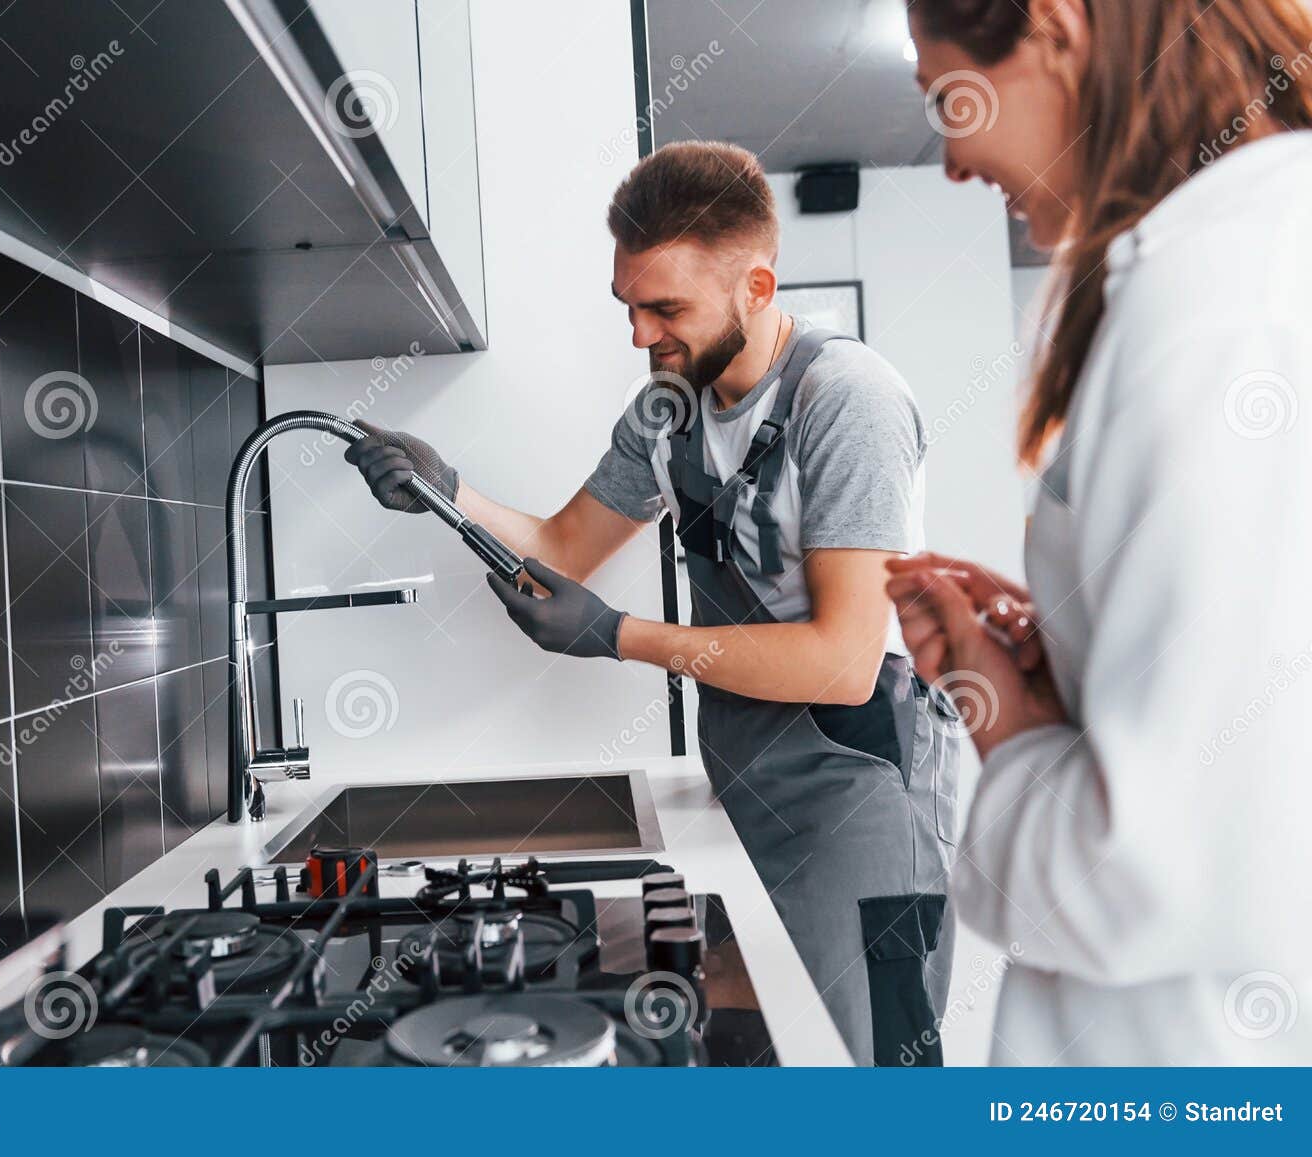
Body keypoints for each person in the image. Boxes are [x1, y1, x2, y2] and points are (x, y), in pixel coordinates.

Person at [346, 141, 959, 1066]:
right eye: (629, 305)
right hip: (747, 784)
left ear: (755, 285)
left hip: (861, 801)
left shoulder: (845, 401)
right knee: (774, 1066)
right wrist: (446, 490)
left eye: (665, 307)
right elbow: (563, 545)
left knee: (876, 1076)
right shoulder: (666, 410)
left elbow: (841, 662)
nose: (639, 334)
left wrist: (617, 635)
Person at [889, 0, 1312, 1064]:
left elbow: (1148, 872)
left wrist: (1012, 726)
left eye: (944, 95)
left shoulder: (1217, 301)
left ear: (1056, 27)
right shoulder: (1250, 257)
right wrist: (1079, 652)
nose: (947, 158)